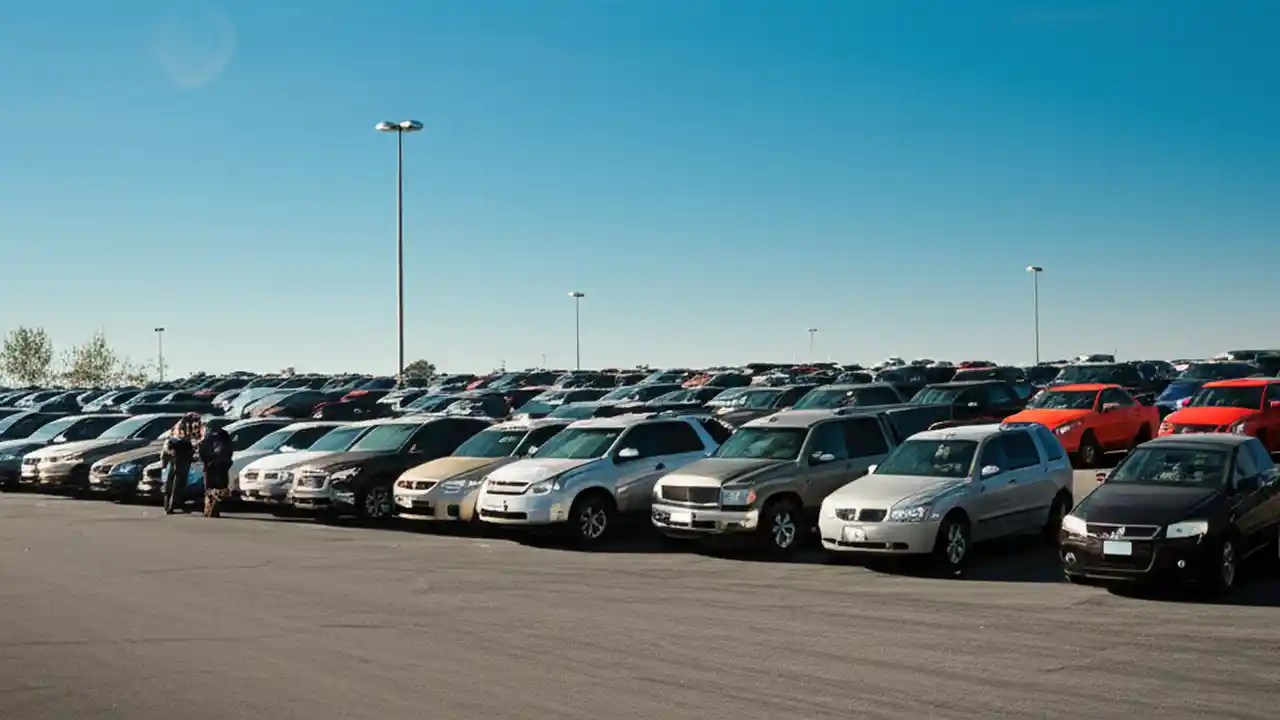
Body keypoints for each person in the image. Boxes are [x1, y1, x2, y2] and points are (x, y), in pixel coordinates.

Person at [161, 414, 202, 515]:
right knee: (177, 484)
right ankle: (172, 505)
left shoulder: (176, 430)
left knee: (171, 483)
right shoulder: (186, 429)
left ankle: (168, 506)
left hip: (174, 458)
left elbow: (166, 448)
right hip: (181, 459)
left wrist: (164, 461)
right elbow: (191, 443)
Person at [198, 423, 234, 517]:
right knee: (219, 488)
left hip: (212, 465)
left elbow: (202, 450)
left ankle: (209, 510)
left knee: (210, 488)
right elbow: (230, 451)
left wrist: (205, 461)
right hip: (222, 465)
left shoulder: (208, 437)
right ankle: (213, 509)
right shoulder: (224, 436)